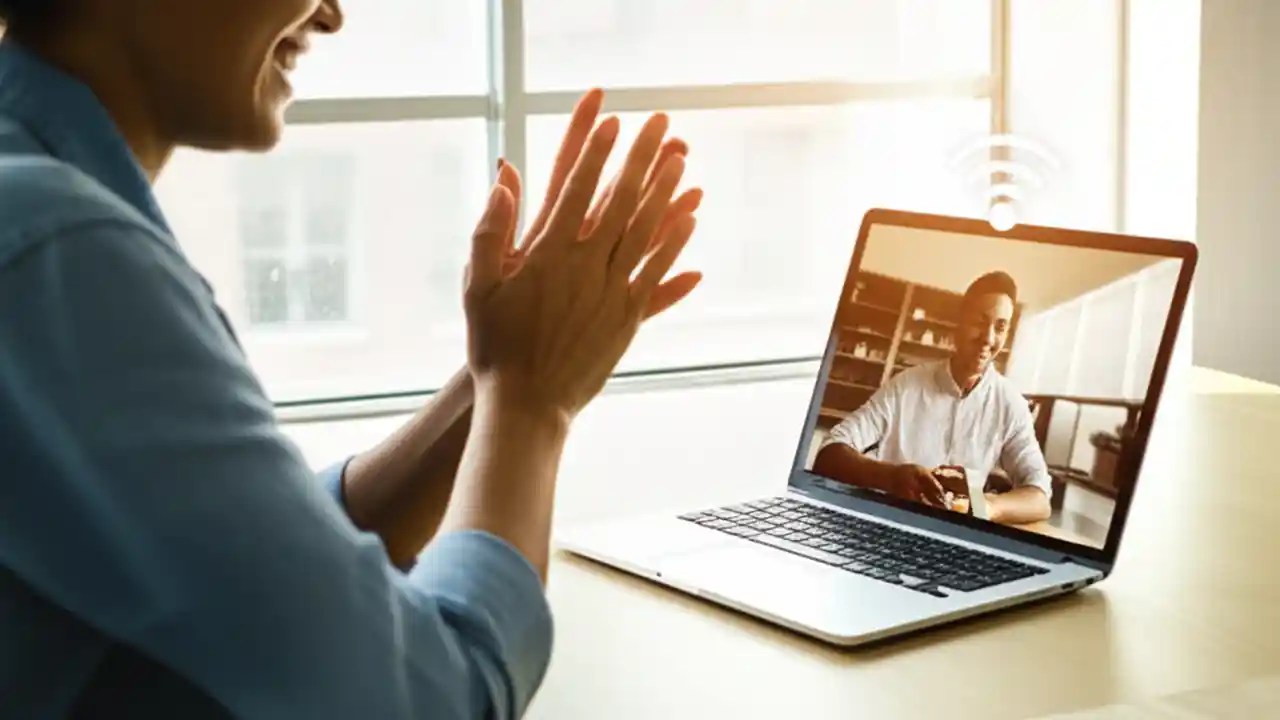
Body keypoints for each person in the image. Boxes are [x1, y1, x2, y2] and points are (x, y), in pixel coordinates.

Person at [0, 1, 704, 717]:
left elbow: (247, 563)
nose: (332, 15)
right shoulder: (61, 252)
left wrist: (506, 367)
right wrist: (531, 404)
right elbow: (431, 703)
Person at [812, 271, 1053, 526]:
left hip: (957, 536)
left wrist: (986, 506)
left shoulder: (1010, 404)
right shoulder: (906, 386)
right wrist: (891, 477)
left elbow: (1039, 498)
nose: (988, 338)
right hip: (890, 524)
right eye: (979, 322)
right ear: (959, 321)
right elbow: (829, 455)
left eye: (1000, 327)